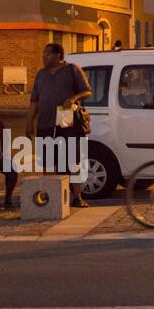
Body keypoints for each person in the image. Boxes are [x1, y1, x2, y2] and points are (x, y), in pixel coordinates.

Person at [24, 43, 92, 207]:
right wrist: (29, 123)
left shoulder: (72, 70)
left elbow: (87, 91)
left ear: (58, 55)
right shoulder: (41, 74)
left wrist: (74, 98)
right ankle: (49, 194)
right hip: (44, 121)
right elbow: (34, 101)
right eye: (43, 53)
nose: (44, 57)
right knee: (47, 161)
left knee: (72, 159)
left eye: (47, 53)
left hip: (66, 119)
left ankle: (77, 196)